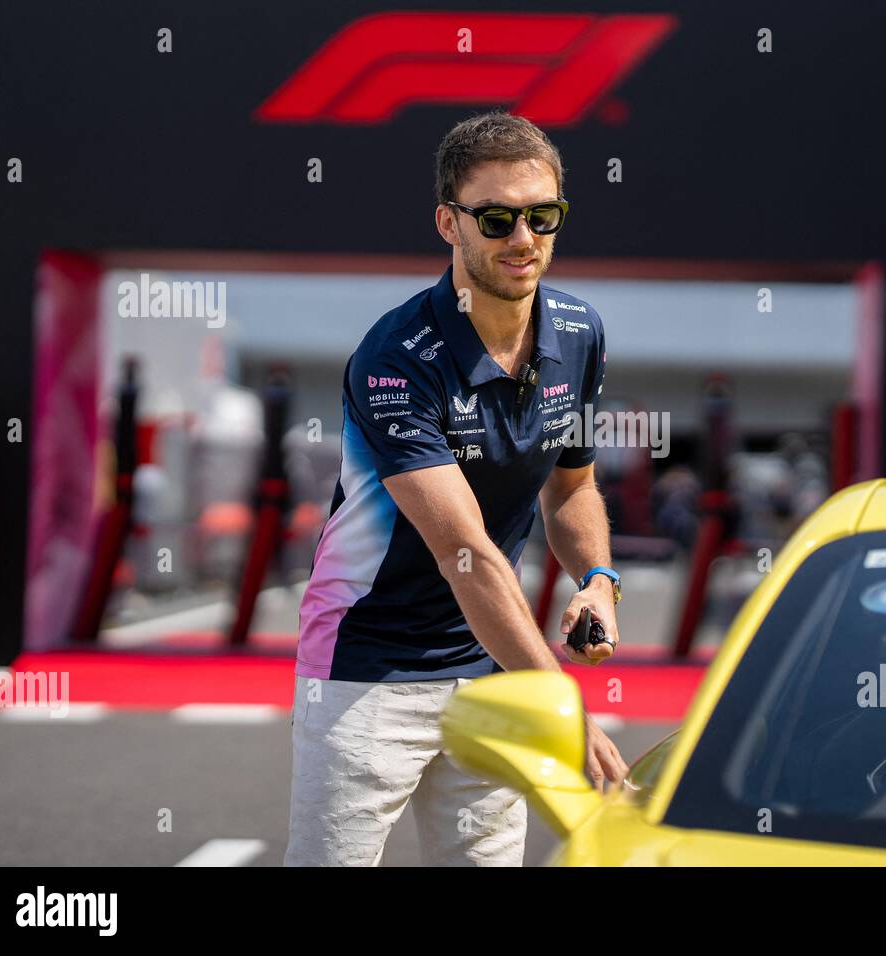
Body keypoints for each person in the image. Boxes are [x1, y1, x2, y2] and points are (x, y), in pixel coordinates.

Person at [285, 111, 628, 867]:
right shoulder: (395, 356)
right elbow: (464, 550)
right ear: (449, 222)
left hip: (491, 666)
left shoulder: (579, 331)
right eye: (497, 217)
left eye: (543, 216)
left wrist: (599, 582)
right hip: (364, 668)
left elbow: (570, 491)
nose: (523, 238)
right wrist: (558, 705)